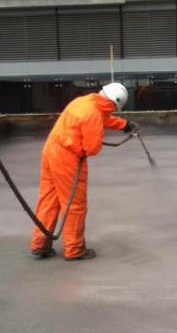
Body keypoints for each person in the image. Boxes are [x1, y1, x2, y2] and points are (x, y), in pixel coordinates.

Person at [30, 83, 138, 261]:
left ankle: (40, 244)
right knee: (74, 204)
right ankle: (74, 249)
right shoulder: (93, 114)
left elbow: (101, 118)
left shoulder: (84, 102)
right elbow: (92, 148)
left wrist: (123, 125)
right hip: (67, 158)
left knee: (49, 199)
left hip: (51, 150)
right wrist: (93, 138)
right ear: (114, 103)